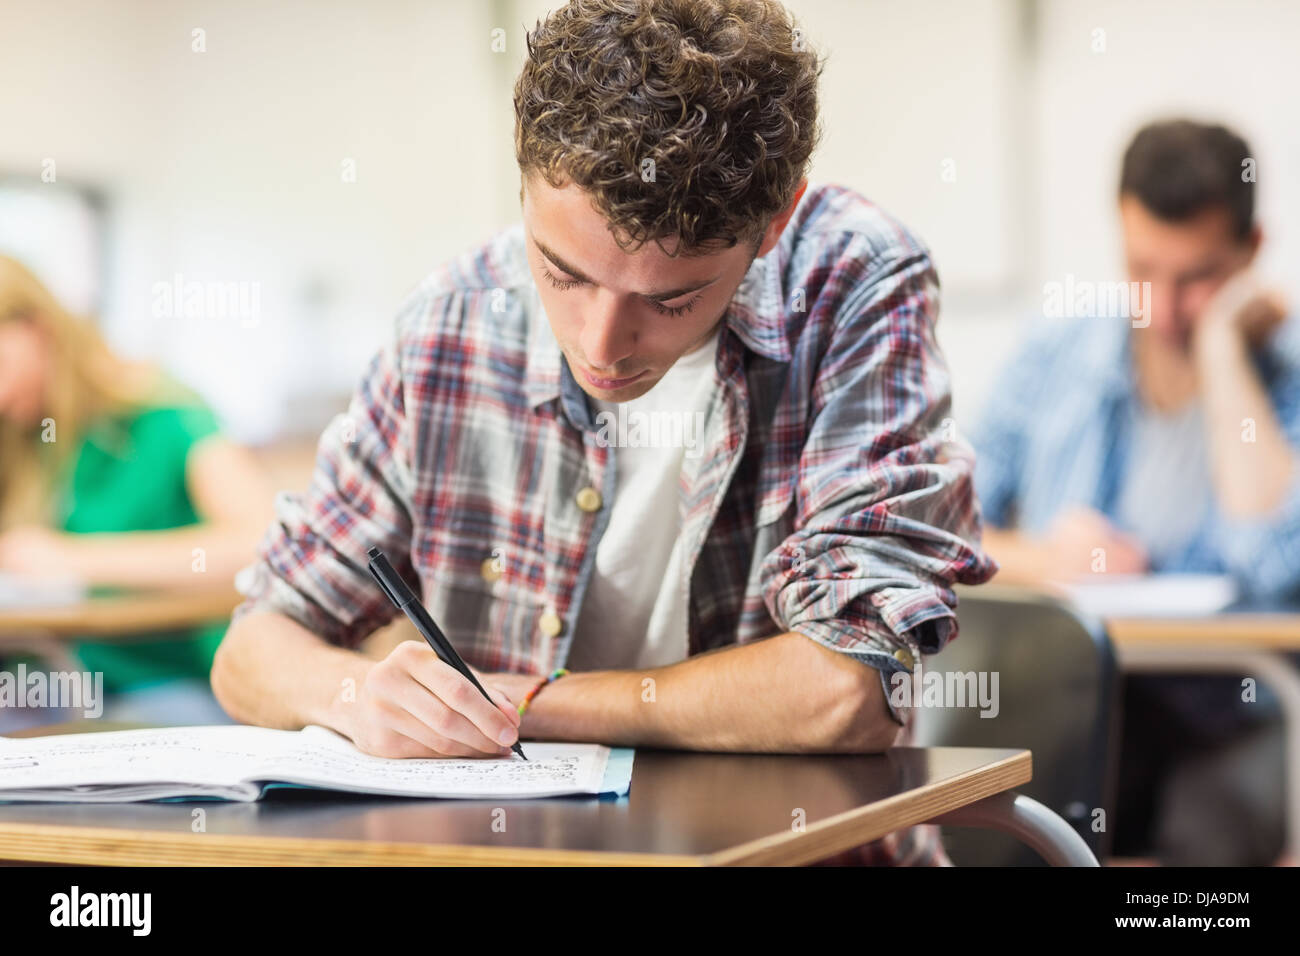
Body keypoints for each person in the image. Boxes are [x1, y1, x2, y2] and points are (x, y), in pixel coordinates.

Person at [214, 0, 996, 866]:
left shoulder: (855, 282)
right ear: (523, 184)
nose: (600, 346)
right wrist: (355, 692)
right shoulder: (450, 325)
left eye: (672, 300)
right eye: (563, 273)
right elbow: (251, 649)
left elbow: (844, 689)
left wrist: (523, 702)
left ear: (772, 226)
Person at [971, 119, 1292, 864]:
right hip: (1084, 693)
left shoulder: (1285, 375)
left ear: (1250, 252)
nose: (1165, 305)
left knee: (1207, 842)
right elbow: (944, 528)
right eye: (1144, 269)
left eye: (1198, 278)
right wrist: (1047, 558)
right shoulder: (1059, 353)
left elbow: (1275, 563)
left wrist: (1222, 354)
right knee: (1007, 825)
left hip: (1234, 709)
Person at [0, 255, 272, 728]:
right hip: (38, 678)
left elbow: (261, 543)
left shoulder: (166, 414)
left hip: (159, 681)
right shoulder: (21, 437)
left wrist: (72, 559)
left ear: (37, 329)